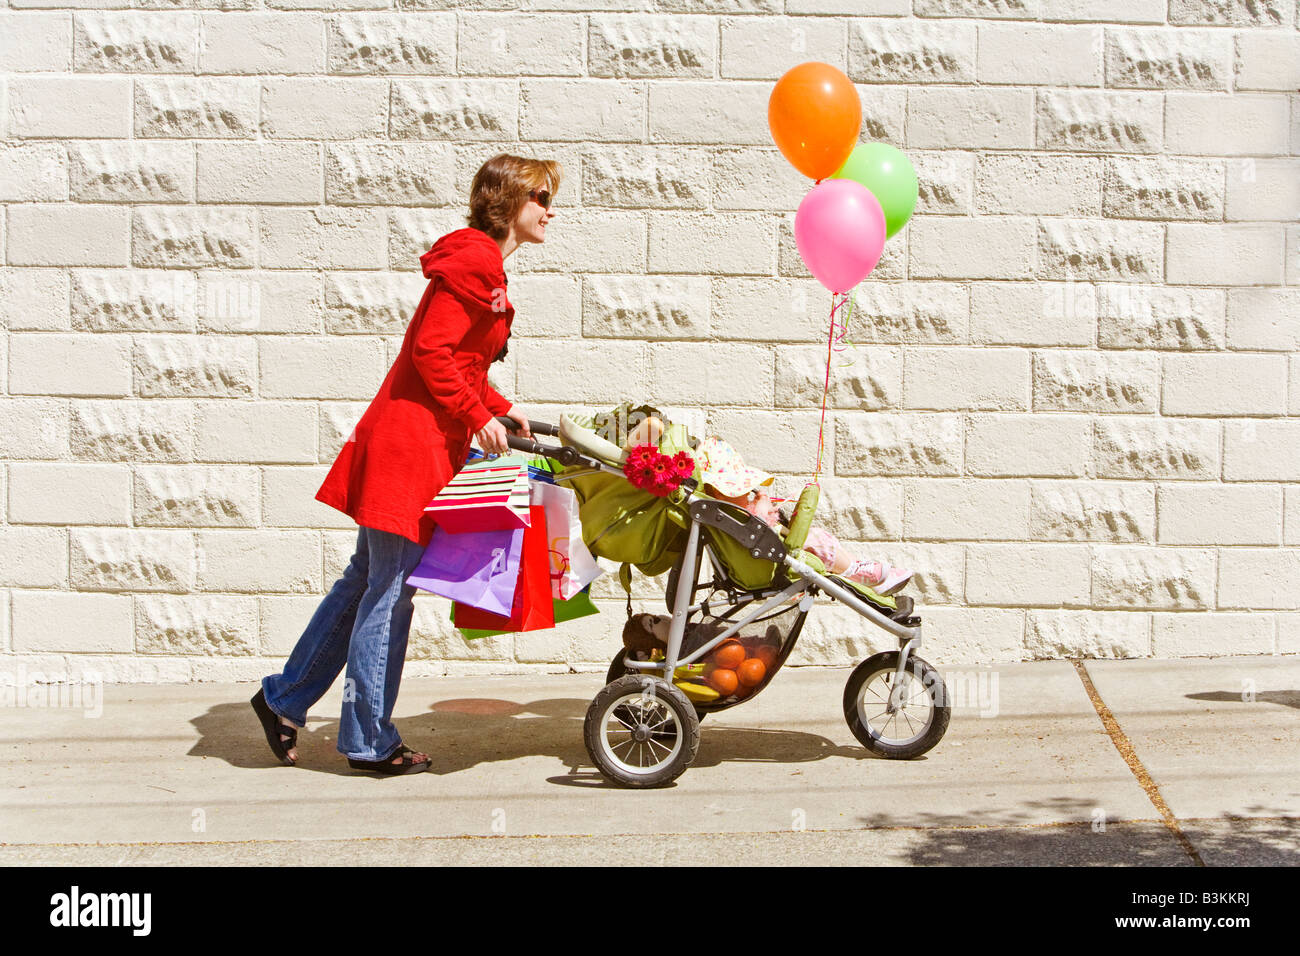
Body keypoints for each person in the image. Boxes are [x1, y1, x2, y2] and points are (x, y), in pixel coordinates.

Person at [251, 154, 562, 775]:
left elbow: (460, 364)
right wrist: (477, 418)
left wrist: (501, 407)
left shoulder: (483, 264)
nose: (550, 211)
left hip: (415, 441)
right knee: (389, 596)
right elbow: (430, 351)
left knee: (364, 581)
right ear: (507, 202)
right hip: (409, 449)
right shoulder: (475, 260)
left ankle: (283, 699)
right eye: (541, 198)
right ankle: (368, 742)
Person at [626, 418, 913, 595]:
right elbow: (761, 526)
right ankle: (858, 571)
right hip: (769, 563)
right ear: (719, 490)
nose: (749, 492)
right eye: (741, 489)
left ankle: (856, 569)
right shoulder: (731, 513)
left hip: (765, 554)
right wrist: (762, 503)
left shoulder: (727, 511)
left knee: (821, 543)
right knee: (818, 542)